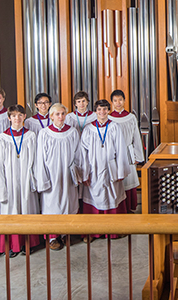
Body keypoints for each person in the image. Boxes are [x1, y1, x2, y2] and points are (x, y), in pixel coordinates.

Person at [35, 103, 85, 250]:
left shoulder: (72, 132)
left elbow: (78, 154)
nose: (60, 117)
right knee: (52, 205)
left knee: (68, 202)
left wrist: (78, 173)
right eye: (57, 114)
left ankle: (66, 233)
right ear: (51, 116)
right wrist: (43, 178)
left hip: (68, 173)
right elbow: (40, 158)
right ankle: (53, 237)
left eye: (63, 114)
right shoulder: (44, 133)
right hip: (52, 174)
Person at [0, 105, 40, 256]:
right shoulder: (1, 138)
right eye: (14, 116)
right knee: (11, 211)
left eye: (20, 115)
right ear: (9, 118)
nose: (17, 118)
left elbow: (35, 160)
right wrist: (2, 186)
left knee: (27, 209)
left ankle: (28, 244)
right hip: (10, 179)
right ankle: (13, 246)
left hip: (26, 178)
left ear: (25, 117)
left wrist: (33, 180)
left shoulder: (31, 136)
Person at [80, 100, 128, 236]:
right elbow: (82, 153)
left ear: (108, 110)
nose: (102, 112)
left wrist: (121, 171)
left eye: (105, 109)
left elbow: (121, 150)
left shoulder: (114, 127)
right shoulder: (89, 129)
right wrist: (84, 173)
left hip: (111, 168)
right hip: (93, 169)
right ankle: (94, 232)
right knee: (94, 197)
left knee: (112, 195)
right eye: (99, 110)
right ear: (95, 111)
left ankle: (114, 231)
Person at [110, 90, 144, 212]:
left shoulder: (131, 117)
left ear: (124, 101)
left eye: (120, 100)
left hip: (129, 154)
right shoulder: (109, 118)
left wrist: (137, 156)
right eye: (115, 100)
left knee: (129, 182)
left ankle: (129, 207)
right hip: (114, 154)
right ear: (112, 103)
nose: (118, 103)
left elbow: (136, 137)